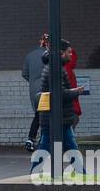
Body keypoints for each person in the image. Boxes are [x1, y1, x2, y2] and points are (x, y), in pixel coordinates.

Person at [37, 40, 85, 171]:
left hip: (55, 116)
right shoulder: (56, 69)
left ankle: (81, 172)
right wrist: (76, 92)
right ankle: (81, 172)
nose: (71, 55)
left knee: (54, 146)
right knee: (55, 146)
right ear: (61, 53)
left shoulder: (53, 67)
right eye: (69, 52)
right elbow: (60, 94)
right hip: (57, 116)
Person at [21, 33, 48, 151]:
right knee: (46, 115)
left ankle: (31, 139)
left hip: (33, 90)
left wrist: (32, 81)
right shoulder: (48, 56)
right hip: (46, 89)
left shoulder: (29, 56)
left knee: (38, 114)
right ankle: (43, 141)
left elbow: (24, 74)